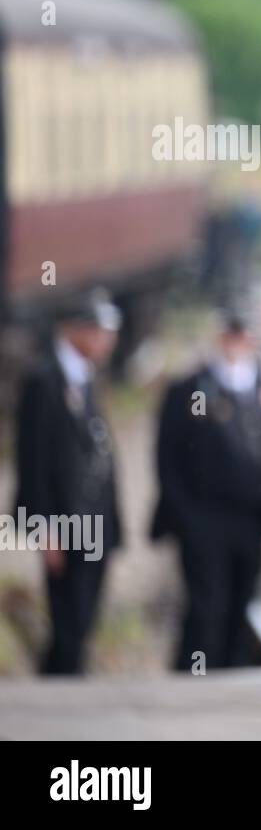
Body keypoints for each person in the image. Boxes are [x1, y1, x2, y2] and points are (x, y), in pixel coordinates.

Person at [151, 310, 261, 671]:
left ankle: (232, 670)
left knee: (244, 600)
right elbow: (169, 460)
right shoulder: (189, 388)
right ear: (221, 337)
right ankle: (193, 673)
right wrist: (185, 517)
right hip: (205, 518)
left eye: (247, 337)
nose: (240, 343)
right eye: (233, 335)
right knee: (206, 602)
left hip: (251, 518)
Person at [13, 287, 123, 674]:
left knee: (83, 619)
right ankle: (59, 701)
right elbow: (33, 461)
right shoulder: (44, 381)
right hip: (66, 523)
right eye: (98, 330)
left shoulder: (87, 377)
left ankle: (65, 685)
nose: (106, 341)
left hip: (96, 521)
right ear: (74, 329)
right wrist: (44, 527)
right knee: (68, 621)